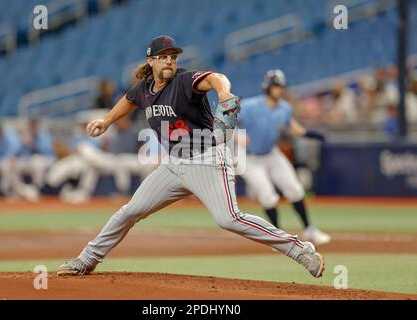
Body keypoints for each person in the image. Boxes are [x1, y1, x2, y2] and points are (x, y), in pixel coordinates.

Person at [57, 35, 325, 278]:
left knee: (228, 218)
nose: (170, 61)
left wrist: (224, 92)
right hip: (174, 164)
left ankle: (300, 249)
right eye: (164, 56)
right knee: (130, 211)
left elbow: (215, 78)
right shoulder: (144, 88)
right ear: (150, 61)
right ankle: (87, 259)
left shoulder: (185, 80)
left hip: (207, 158)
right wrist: (106, 120)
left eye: (173, 57)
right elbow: (128, 100)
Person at [237, 70, 331, 246]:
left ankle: (309, 229)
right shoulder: (250, 105)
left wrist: (312, 134)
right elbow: (224, 121)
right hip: (250, 159)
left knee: (295, 190)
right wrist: (235, 135)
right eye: (275, 86)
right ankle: (278, 238)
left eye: (280, 86)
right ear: (267, 87)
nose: (278, 90)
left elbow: (291, 127)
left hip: (272, 154)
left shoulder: (284, 108)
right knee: (267, 196)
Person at [8, 118, 56, 201]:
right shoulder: (28, 135)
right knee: (12, 164)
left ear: (37, 126)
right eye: (31, 125)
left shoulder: (44, 135)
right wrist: (14, 156)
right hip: (30, 160)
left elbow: (47, 151)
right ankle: (19, 190)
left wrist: (34, 143)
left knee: (36, 162)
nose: (32, 127)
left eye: (34, 125)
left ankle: (37, 190)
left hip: (46, 160)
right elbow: (19, 150)